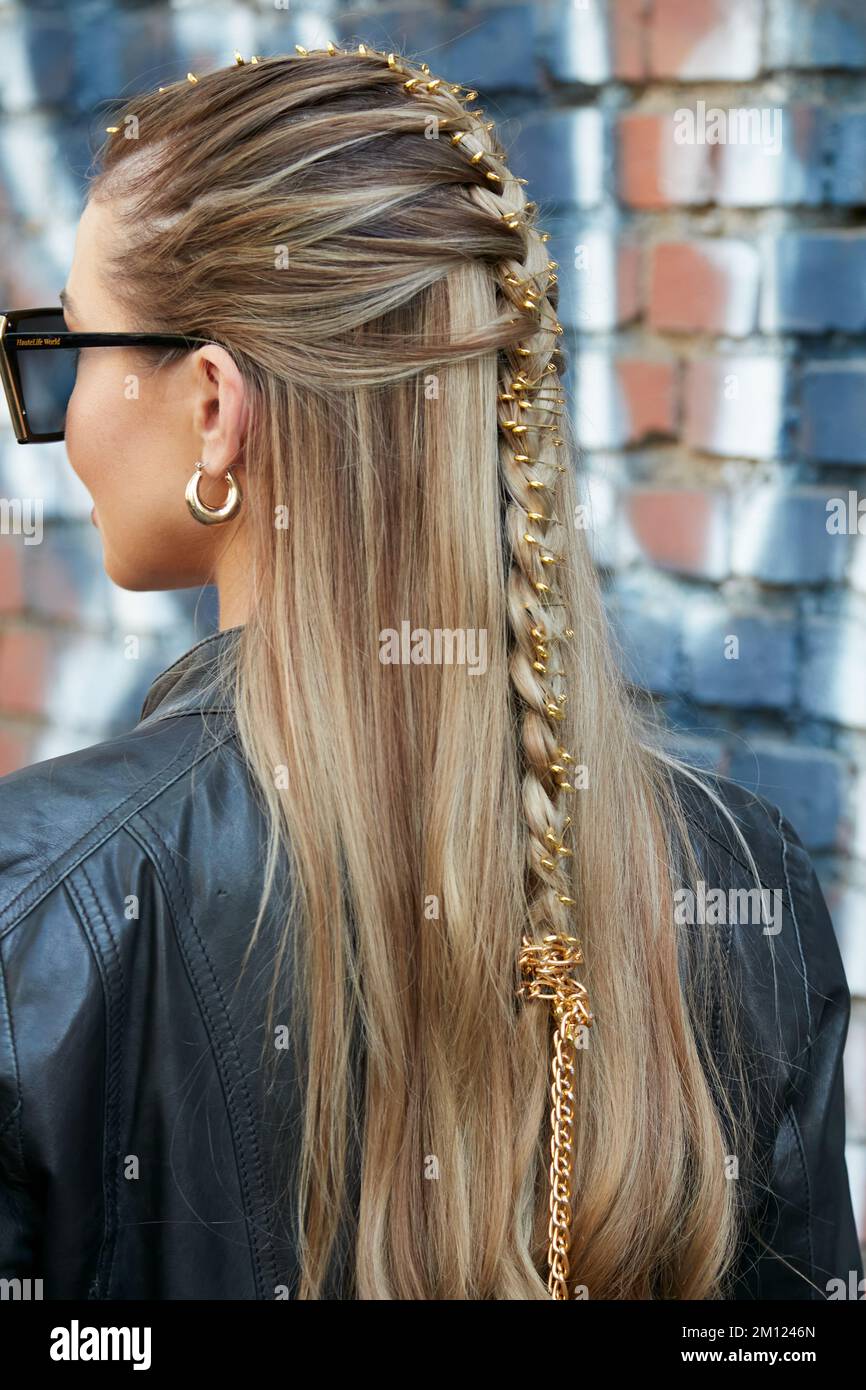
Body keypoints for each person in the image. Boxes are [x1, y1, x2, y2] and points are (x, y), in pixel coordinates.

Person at [0, 45, 860, 1301]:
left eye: (68, 346)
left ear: (212, 409)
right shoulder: (744, 881)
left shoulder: (39, 904)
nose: (58, 413)